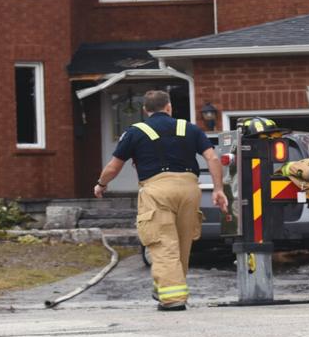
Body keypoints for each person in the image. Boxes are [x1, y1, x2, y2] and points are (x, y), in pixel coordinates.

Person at [94, 91, 228, 311]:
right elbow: (212, 158)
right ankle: (168, 287)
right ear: (169, 107)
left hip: (157, 190)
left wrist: (101, 184)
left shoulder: (135, 132)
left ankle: (172, 298)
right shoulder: (190, 128)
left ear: (146, 110)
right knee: (183, 244)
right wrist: (218, 189)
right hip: (189, 188)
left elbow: (114, 166)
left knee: (163, 244)